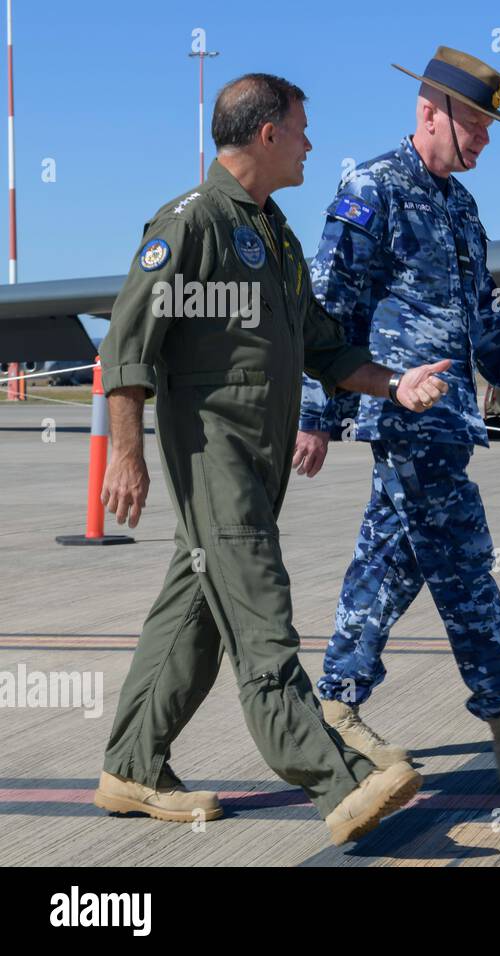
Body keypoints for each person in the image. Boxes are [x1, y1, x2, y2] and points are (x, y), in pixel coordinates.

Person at [94, 73, 452, 846]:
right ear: (265, 135)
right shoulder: (190, 224)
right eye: (301, 129)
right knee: (263, 620)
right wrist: (127, 458)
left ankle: (131, 767)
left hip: (260, 462)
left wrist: (397, 383)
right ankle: (339, 783)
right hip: (214, 456)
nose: (310, 145)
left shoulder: (275, 233)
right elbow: (125, 349)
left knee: (192, 616)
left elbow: (325, 347)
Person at [294, 47, 500, 785]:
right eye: (478, 124)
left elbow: (486, 316)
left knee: (389, 565)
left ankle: (335, 705)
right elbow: (331, 309)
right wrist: (317, 413)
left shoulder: (460, 207)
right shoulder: (374, 187)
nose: (485, 139)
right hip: (401, 412)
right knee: (464, 564)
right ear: (431, 112)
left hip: (450, 419)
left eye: (491, 126)